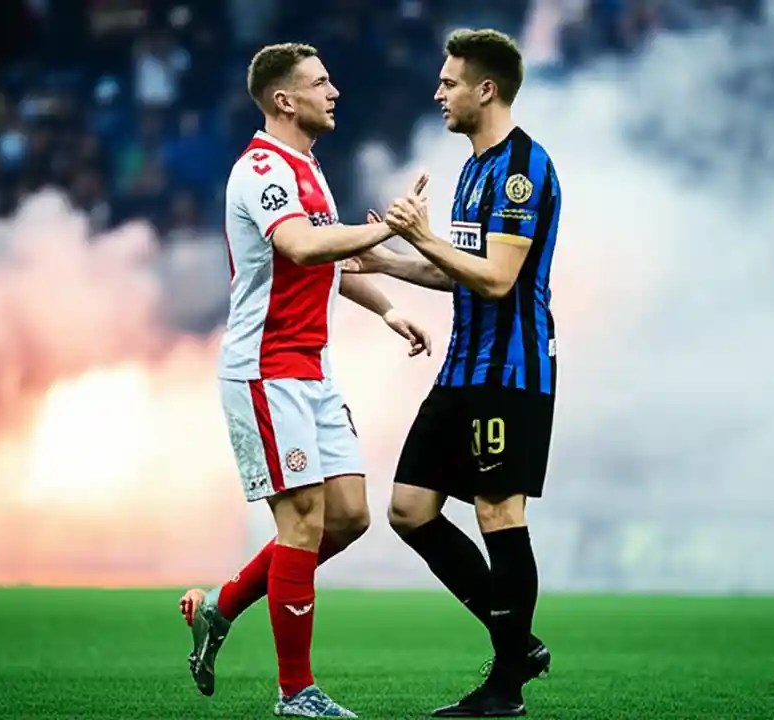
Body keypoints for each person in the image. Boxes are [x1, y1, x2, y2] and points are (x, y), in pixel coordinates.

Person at [178, 42, 433, 719]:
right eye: (321, 83)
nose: (335, 92)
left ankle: (219, 607)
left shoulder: (309, 170)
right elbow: (299, 246)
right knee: (301, 523)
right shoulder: (263, 169)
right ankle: (297, 694)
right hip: (266, 372)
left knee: (347, 518)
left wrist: (391, 306)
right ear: (283, 100)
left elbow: (332, 261)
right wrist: (375, 236)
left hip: (313, 371)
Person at [347, 28, 562, 717]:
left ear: (485, 89)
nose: (438, 92)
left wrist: (422, 237)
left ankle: (505, 687)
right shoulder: (472, 167)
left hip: (511, 374)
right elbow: (458, 276)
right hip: (463, 369)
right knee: (409, 510)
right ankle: (517, 639)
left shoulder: (522, 169)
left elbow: (498, 281)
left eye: (449, 82)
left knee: (500, 510)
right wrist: (388, 262)